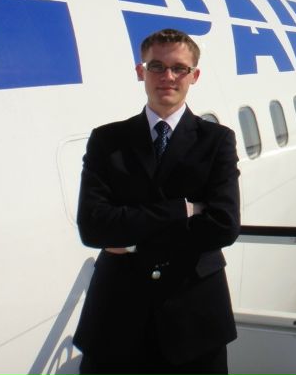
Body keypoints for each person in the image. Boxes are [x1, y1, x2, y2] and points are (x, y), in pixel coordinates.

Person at [73, 28, 241, 375]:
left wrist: (129, 239)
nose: (168, 76)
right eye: (157, 66)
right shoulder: (107, 140)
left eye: (179, 68)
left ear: (194, 76)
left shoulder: (217, 140)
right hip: (116, 318)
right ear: (141, 72)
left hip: (194, 318)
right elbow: (93, 227)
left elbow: (223, 226)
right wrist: (182, 210)